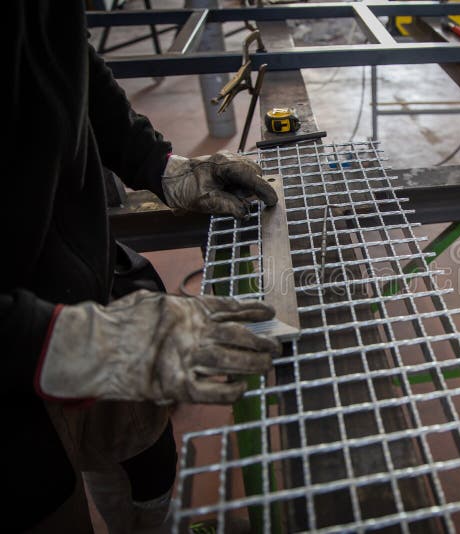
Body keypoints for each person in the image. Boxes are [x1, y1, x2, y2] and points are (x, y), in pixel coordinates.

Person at [4, 2, 280, 532]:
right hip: (12, 370)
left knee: (144, 458)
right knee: (45, 498)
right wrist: (55, 339)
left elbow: (66, 56)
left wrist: (159, 164)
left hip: (84, 276)